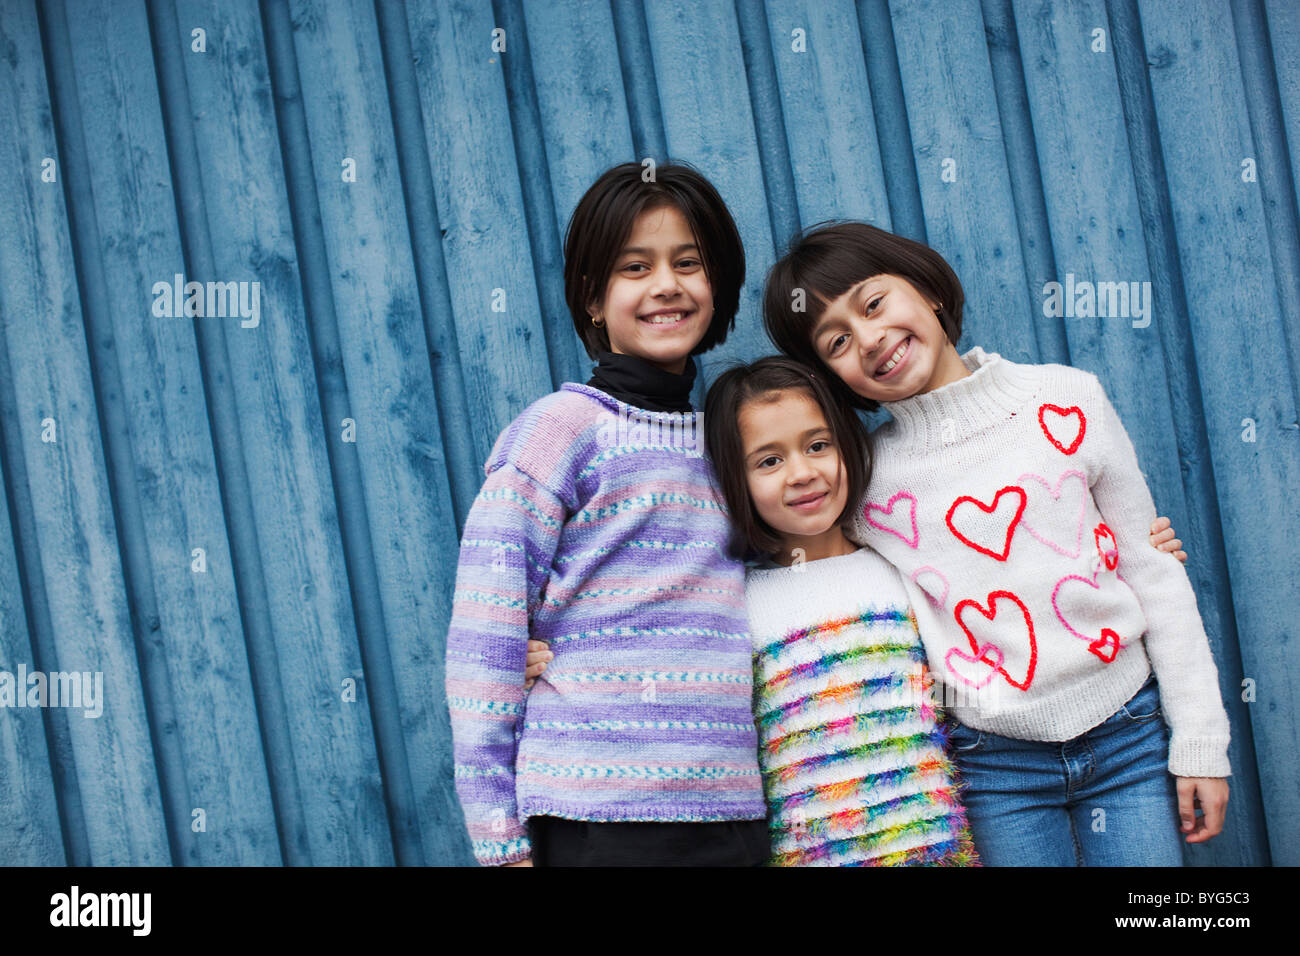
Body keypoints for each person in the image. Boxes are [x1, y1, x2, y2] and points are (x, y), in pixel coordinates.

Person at [759, 220, 1230, 865]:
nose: (870, 340)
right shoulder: (863, 482)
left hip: (1129, 735)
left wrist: (1200, 743)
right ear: (833, 378)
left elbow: (1152, 574)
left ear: (926, 288)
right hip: (994, 767)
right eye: (837, 340)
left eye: (874, 304)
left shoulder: (1066, 399)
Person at [444, 161, 769, 866]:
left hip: (731, 810)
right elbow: (483, 635)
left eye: (689, 262)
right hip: (601, 815)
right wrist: (498, 838)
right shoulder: (559, 432)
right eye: (634, 267)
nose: (666, 286)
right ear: (593, 299)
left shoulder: (731, 440)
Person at [701, 355, 978, 865]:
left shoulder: (905, 570)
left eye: (817, 446)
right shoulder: (736, 608)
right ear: (733, 480)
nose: (802, 473)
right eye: (769, 460)